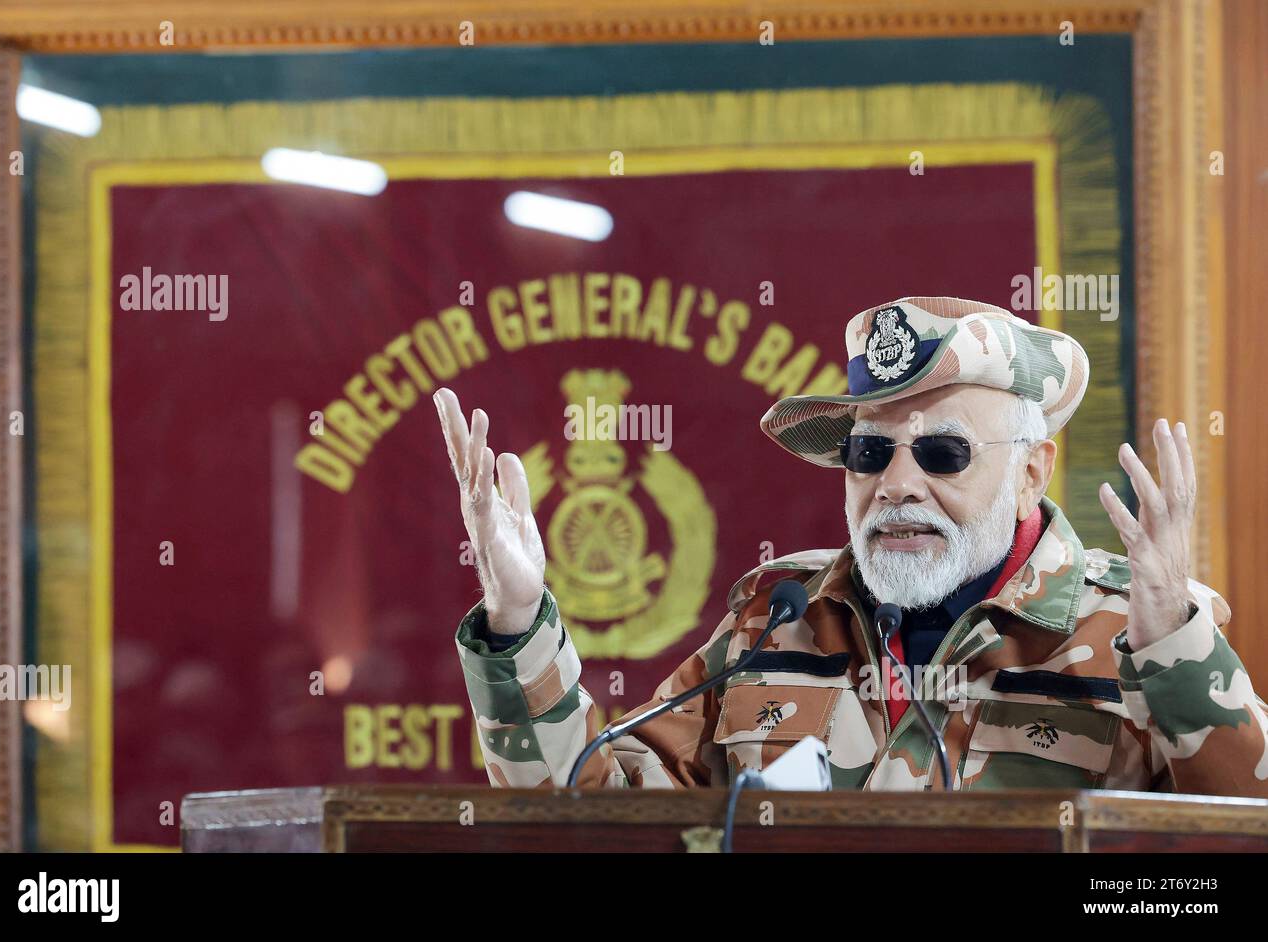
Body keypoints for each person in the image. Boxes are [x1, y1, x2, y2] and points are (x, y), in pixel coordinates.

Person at [434, 296, 1268, 795]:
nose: (896, 484)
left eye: (942, 452)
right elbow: (596, 820)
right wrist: (518, 620)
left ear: (1029, 473)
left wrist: (1174, 646)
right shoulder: (777, 616)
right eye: (869, 452)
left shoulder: (1141, 630)